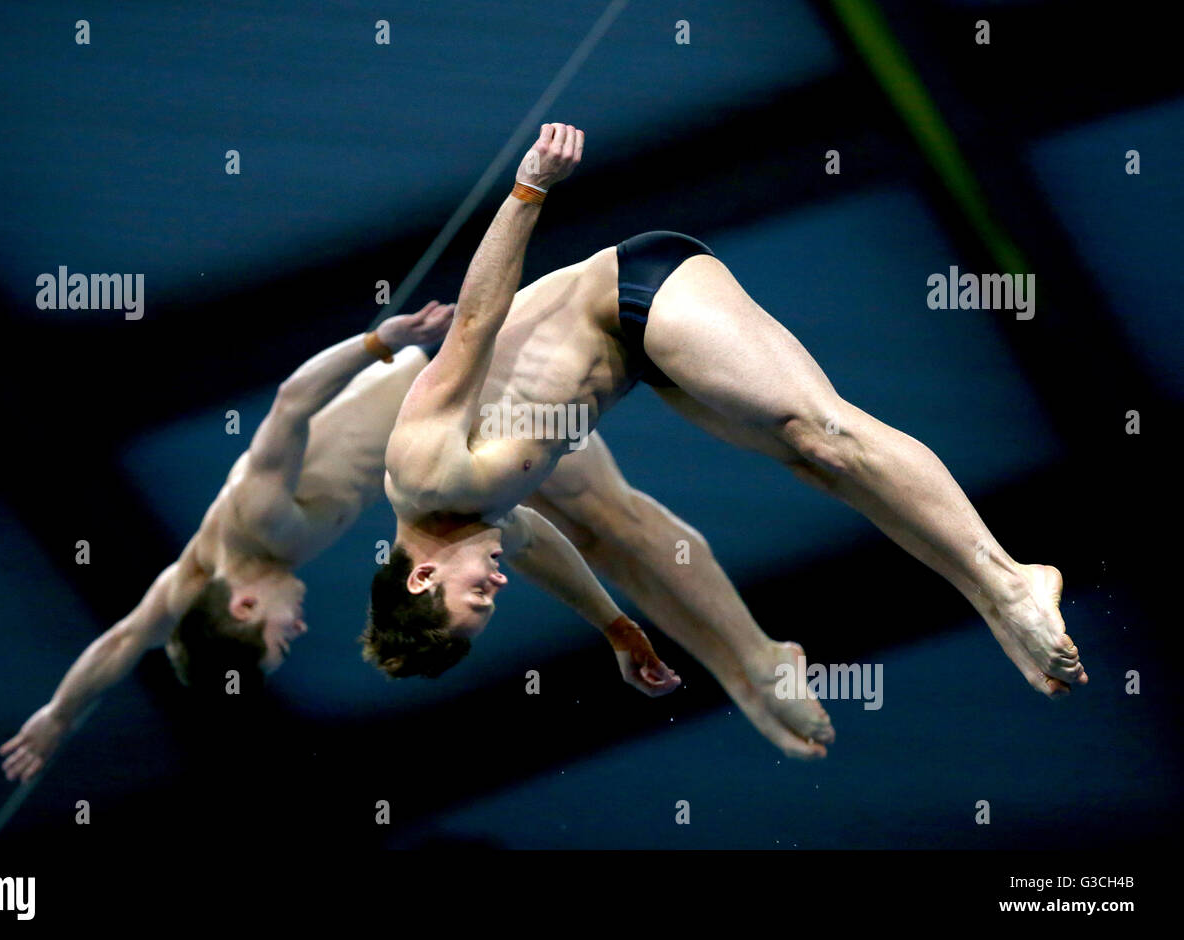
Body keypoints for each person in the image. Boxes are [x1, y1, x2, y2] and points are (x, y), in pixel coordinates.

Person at [378, 122, 1086, 711]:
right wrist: (618, 628)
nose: (495, 586)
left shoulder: (423, 470)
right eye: (490, 600)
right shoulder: (470, 520)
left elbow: (472, 325)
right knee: (817, 468)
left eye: (477, 594)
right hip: (643, 359)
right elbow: (540, 548)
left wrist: (529, 188)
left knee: (825, 433)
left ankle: (1010, 579)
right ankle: (993, 604)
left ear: (422, 577)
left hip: (639, 290)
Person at [1, 301, 832, 783]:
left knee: (615, 520)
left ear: (245, 604)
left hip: (455, 403)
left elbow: (290, 402)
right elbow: (121, 641)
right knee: (599, 541)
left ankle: (757, 659)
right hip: (451, 454)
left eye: (278, 638)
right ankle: (742, 667)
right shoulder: (195, 581)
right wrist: (57, 715)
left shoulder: (258, 525)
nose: (298, 631)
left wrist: (378, 342)